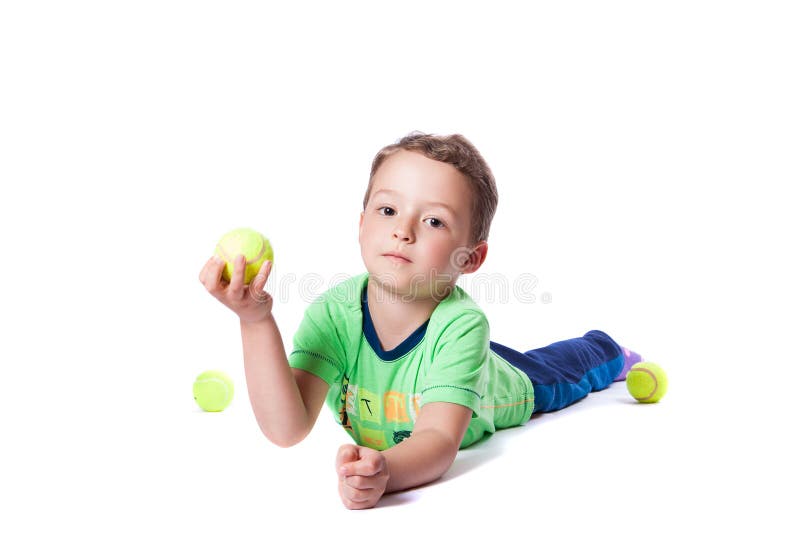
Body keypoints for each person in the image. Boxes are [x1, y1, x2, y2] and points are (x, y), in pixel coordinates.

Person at [198, 132, 641, 510]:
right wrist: (255, 321)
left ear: (471, 257)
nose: (403, 231)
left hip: (507, 386)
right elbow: (286, 427)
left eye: (433, 220)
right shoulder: (335, 314)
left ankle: (607, 349)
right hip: (449, 366)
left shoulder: (463, 326)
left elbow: (439, 439)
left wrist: (387, 471)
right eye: (388, 211)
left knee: (563, 371)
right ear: (361, 223)